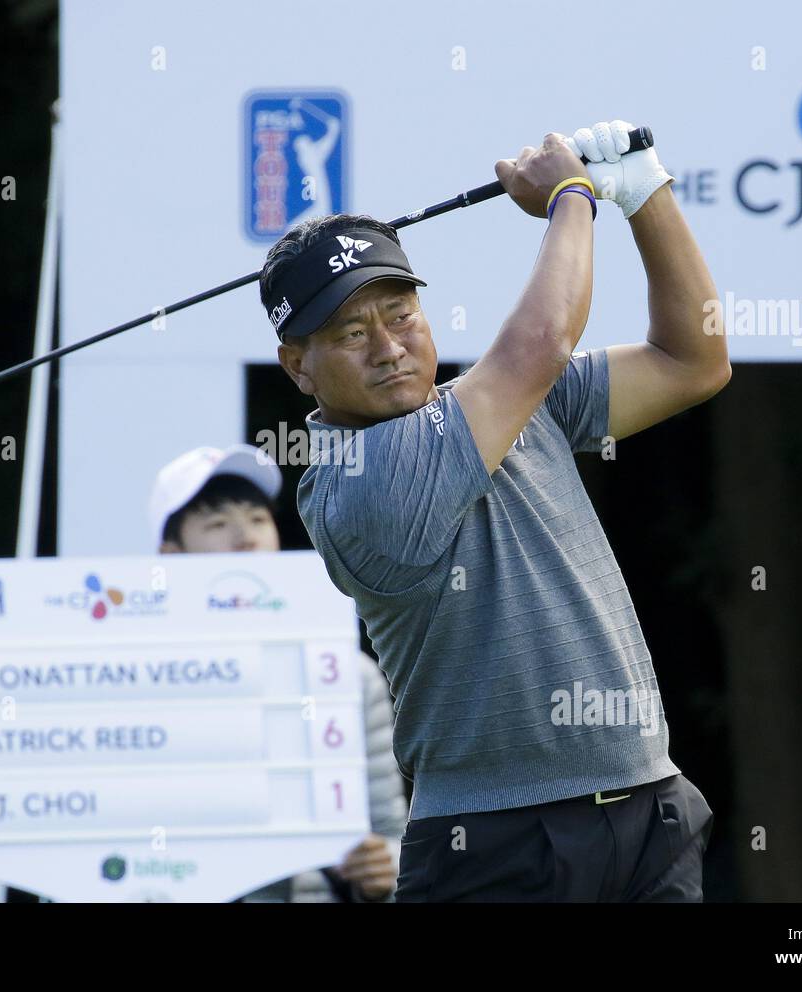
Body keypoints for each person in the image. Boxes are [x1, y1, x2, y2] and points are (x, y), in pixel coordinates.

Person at [258, 121, 728, 901]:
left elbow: (695, 358)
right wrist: (572, 197)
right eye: (350, 331)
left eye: (401, 314)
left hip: (651, 809)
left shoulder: (502, 406)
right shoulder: (355, 481)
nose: (389, 347)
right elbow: (539, 344)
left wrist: (646, 194)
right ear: (297, 366)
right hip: (497, 844)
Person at [149, 443, 407, 902]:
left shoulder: (351, 677)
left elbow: (390, 835)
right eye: (217, 524)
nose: (245, 537)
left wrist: (383, 866)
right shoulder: (138, 680)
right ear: (171, 553)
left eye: (257, 519)